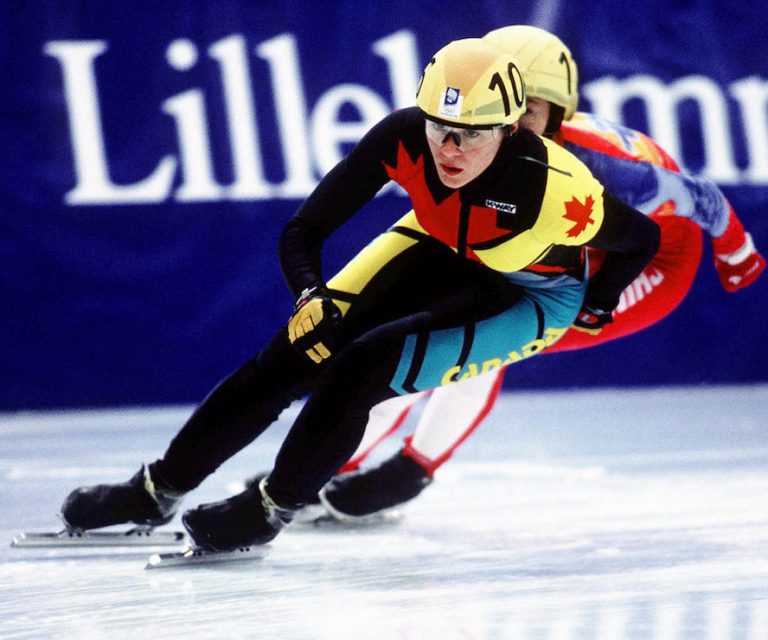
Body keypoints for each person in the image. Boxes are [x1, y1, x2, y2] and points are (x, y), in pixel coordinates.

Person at [59, 37, 660, 552]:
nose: (449, 151)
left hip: (531, 291)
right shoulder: (403, 135)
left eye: (470, 137)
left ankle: (269, 510)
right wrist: (309, 296)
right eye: (441, 130)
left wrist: (597, 305)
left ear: (507, 130)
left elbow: (643, 238)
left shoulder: (552, 190)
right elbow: (305, 230)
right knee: (288, 358)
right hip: (442, 243)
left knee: (360, 371)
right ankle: (155, 491)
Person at [288, 25, 766, 523]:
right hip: (583, 244)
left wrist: (738, 257)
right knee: (433, 338)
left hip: (651, 264)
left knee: (464, 346)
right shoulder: (483, 149)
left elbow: (703, 199)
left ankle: (405, 468)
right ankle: (344, 466)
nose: (506, 122)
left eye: (527, 109)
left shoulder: (600, 169)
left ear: (558, 116)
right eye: (491, 106)